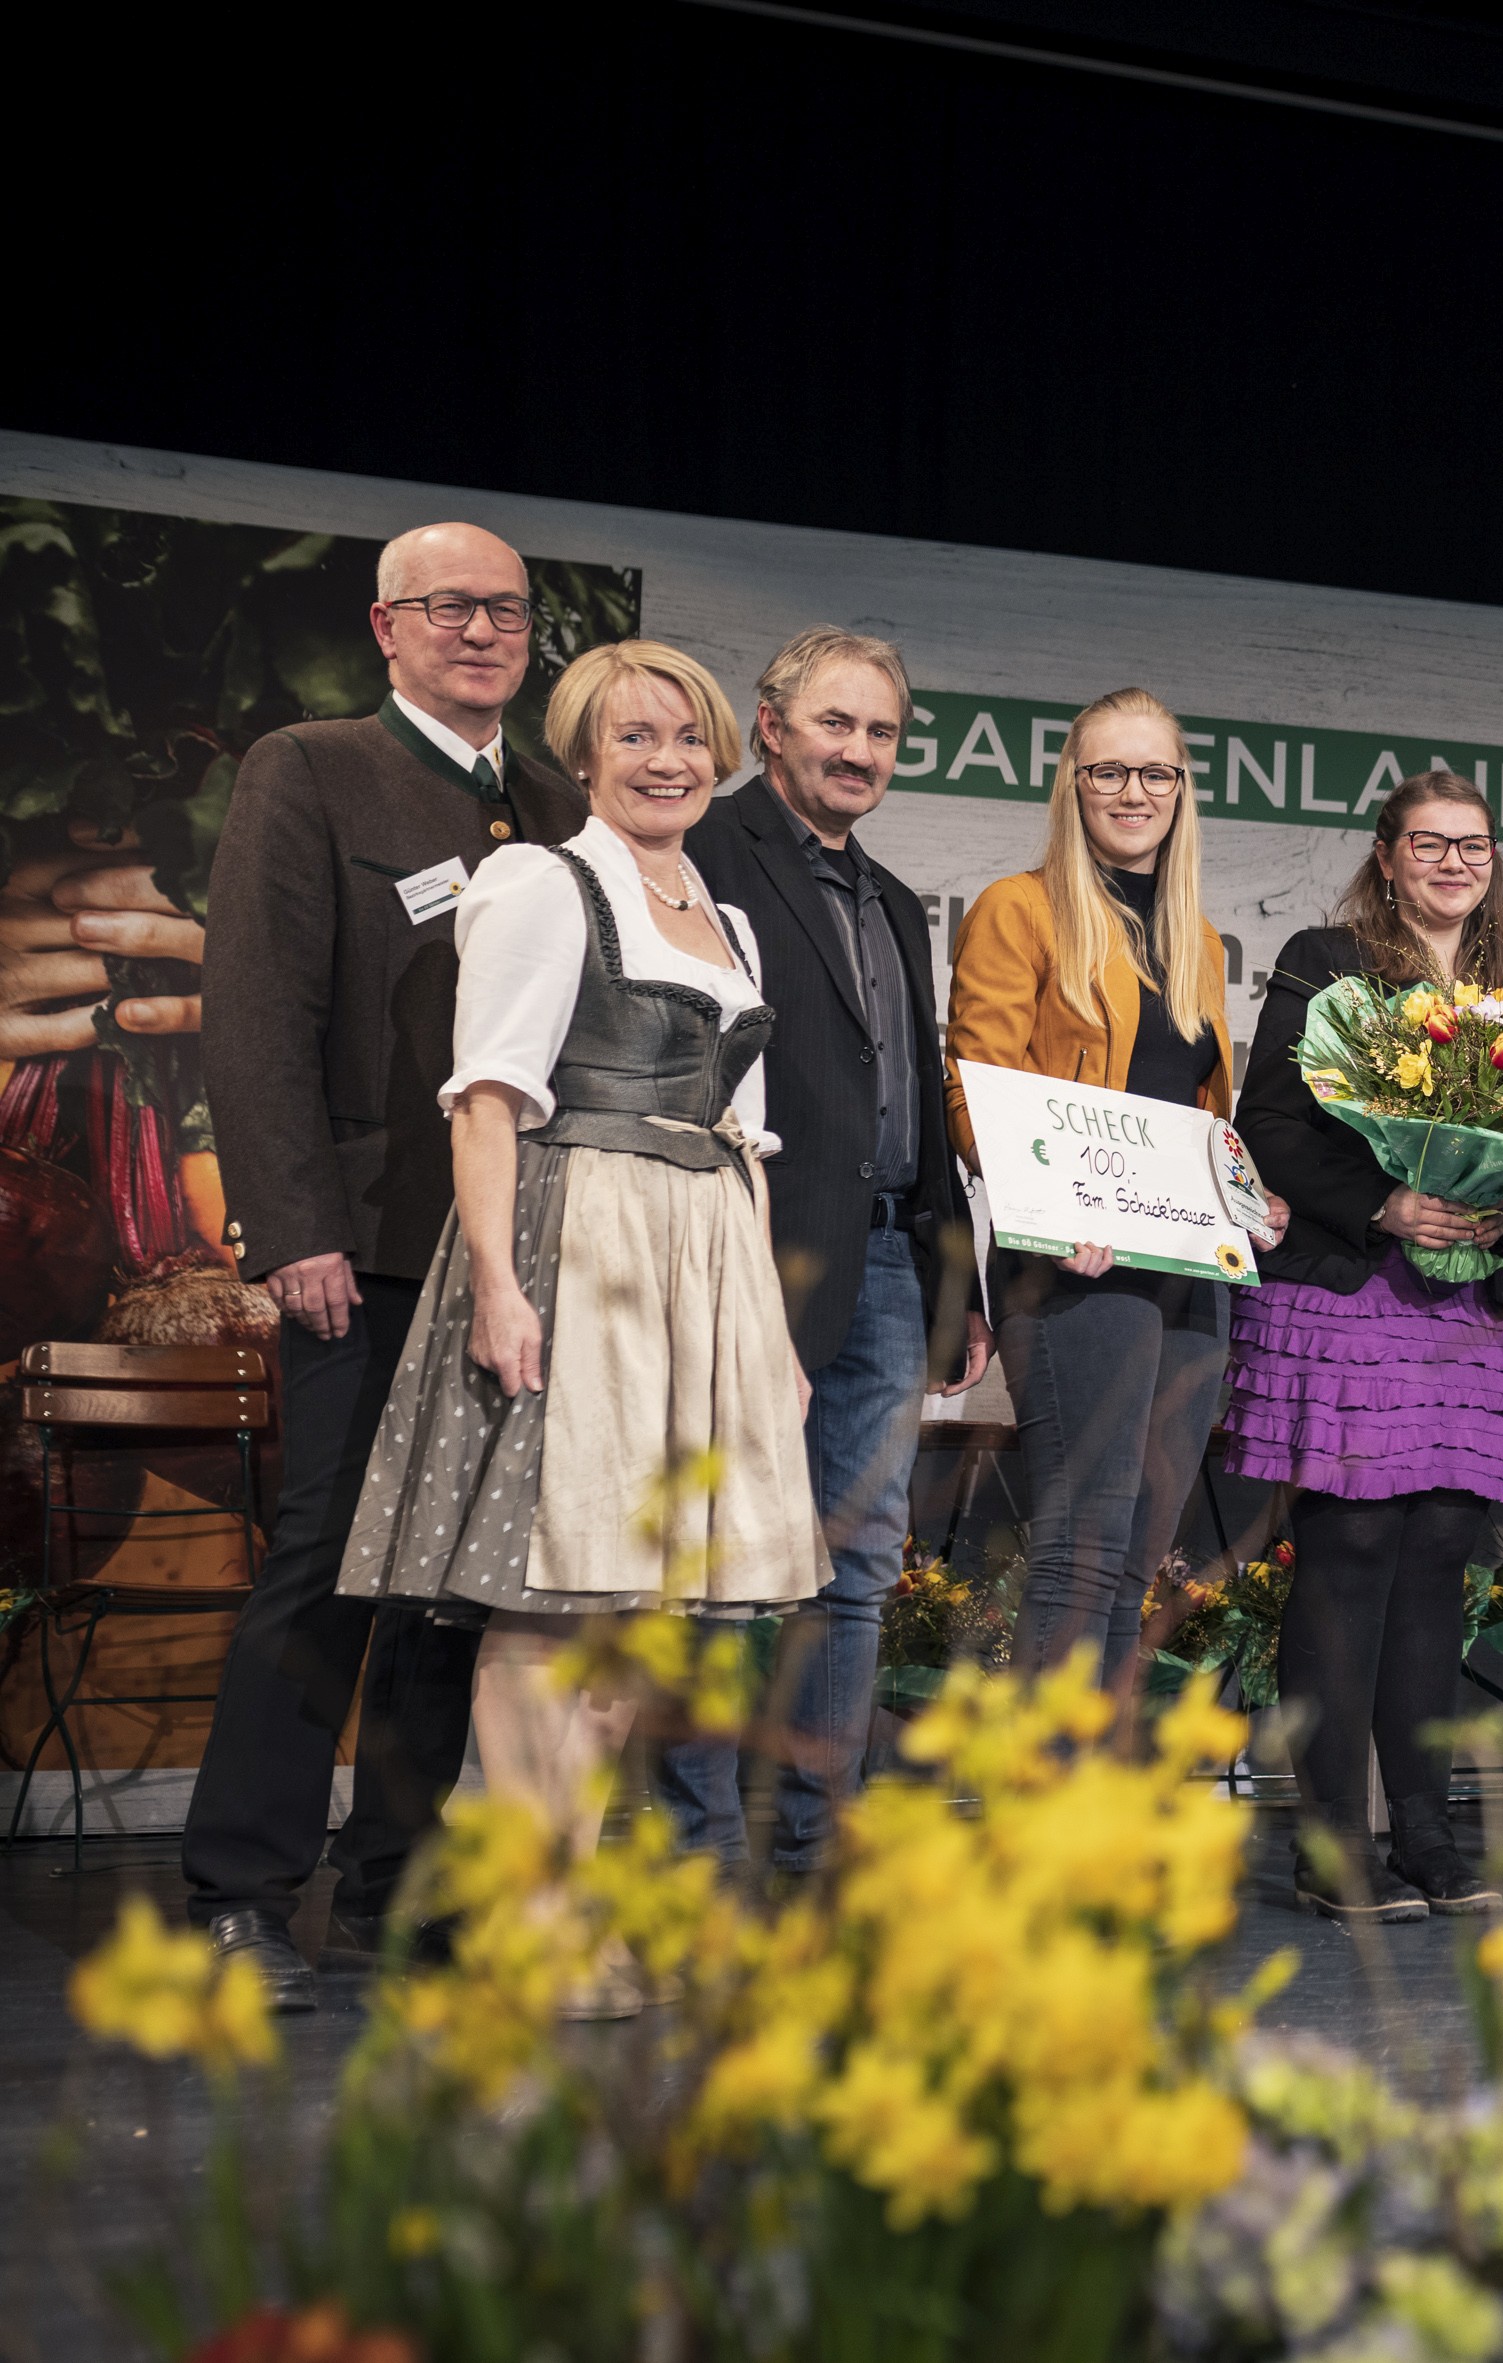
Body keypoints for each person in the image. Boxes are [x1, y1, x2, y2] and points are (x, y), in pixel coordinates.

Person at [332, 640, 822, 2009]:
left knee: (626, 1610)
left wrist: (770, 1336)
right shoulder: (541, 880)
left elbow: (745, 1132)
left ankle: (571, 1902)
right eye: (632, 738)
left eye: (684, 735)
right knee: (553, 1597)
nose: (664, 759)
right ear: (585, 755)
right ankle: (526, 1912)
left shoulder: (729, 916)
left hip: (702, 1249)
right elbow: (488, 1094)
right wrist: (497, 1278)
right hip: (582, 1232)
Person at [183, 522, 588, 2009]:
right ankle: (235, 1891)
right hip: (362, 1244)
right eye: (451, 606)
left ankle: (397, 1890)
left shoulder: (557, 801)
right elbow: (255, 1009)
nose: (482, 630)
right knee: (325, 1572)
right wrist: (292, 1227)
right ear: (387, 624)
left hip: (509, 1257)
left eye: (506, 609)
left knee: (451, 1589)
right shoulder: (312, 767)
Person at [654, 628, 989, 1886]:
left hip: (895, 1260)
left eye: (883, 733)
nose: (860, 753)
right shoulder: (703, 854)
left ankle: (820, 1834)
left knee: (856, 1564)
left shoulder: (897, 900)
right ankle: (690, 1847)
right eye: (836, 724)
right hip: (753, 1256)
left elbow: (913, 1089)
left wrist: (955, 1279)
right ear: (773, 722)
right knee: (719, 1560)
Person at [1222, 770, 1503, 1922]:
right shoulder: (1325, 959)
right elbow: (1270, 1126)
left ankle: (1430, 1838)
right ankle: (1329, 1843)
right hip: (1356, 1287)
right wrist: (1386, 1205)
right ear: (1389, 856)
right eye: (1430, 843)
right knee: (1350, 1552)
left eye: (1475, 846)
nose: (1455, 862)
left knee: (1440, 1556)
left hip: (1469, 1304)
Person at [946, 689, 1263, 1690]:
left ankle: (1092, 1820)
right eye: (1109, 771)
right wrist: (1054, 1209)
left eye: (1155, 771)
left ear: (1182, 788)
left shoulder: (1197, 940)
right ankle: (1036, 1820)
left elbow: (1195, 1112)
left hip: (1186, 1271)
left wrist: (1245, 1192)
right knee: (1081, 1551)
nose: (1134, 791)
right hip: (1076, 1268)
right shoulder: (1019, 907)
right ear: (1073, 784)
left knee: (1135, 1560)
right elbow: (975, 1086)